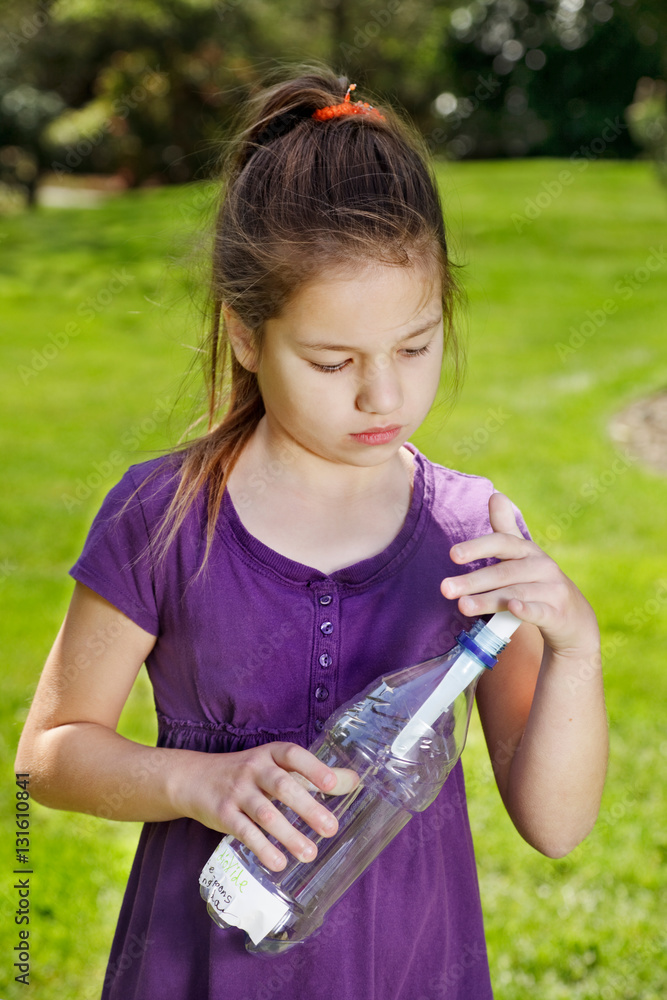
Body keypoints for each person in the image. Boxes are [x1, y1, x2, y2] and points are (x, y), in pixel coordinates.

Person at [15, 63, 608, 1000]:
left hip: (407, 969)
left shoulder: (467, 529)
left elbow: (556, 822)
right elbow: (46, 757)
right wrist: (195, 784)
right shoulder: (163, 519)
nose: (383, 395)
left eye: (414, 347)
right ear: (246, 335)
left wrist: (575, 647)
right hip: (193, 969)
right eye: (333, 361)